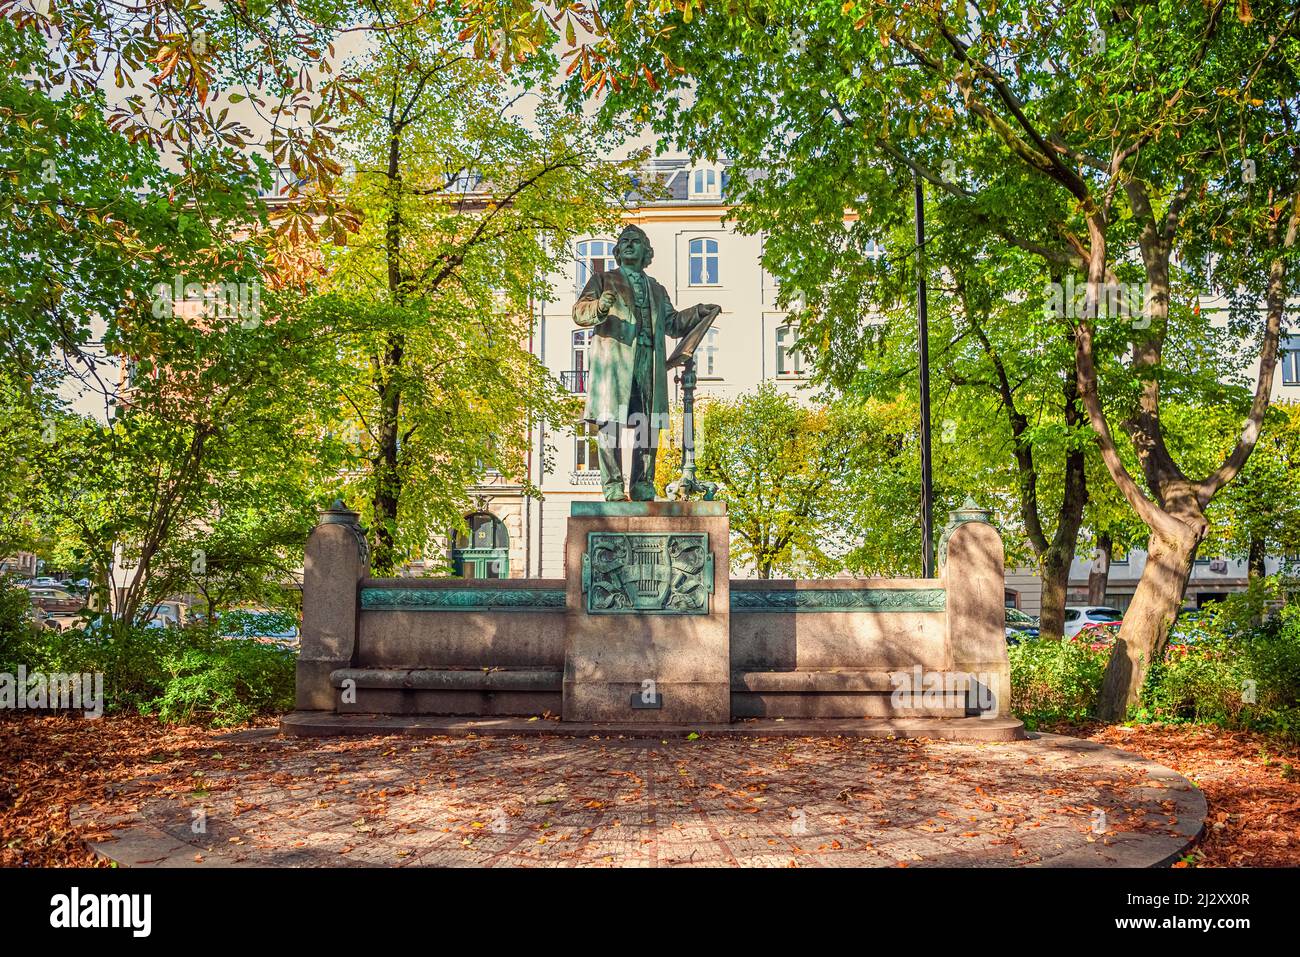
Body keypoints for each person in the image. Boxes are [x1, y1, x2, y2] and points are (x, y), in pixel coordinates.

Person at [573, 225, 720, 501]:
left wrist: (698, 311)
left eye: (635, 241)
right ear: (617, 251)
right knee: (610, 425)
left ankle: (642, 485)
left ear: (646, 251)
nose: (629, 245)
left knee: (647, 424)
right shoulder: (603, 280)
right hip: (614, 365)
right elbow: (579, 313)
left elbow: (673, 324)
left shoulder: (656, 288)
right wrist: (600, 307)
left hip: (648, 360)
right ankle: (614, 487)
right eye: (624, 241)